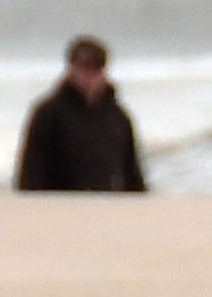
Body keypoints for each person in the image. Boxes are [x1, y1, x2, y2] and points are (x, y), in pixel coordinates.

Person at [15, 36, 146, 193]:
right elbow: (30, 173)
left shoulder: (118, 117)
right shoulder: (48, 113)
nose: (89, 75)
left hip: (107, 207)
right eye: (83, 67)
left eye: (96, 68)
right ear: (71, 68)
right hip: (59, 208)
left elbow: (132, 174)